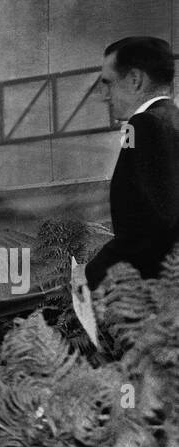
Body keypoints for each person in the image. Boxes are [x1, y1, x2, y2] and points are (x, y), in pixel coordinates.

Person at [84, 36, 179, 290]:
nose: (105, 95)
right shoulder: (172, 120)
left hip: (152, 291)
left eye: (108, 82)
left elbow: (150, 226)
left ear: (135, 80)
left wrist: (92, 274)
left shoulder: (142, 125)